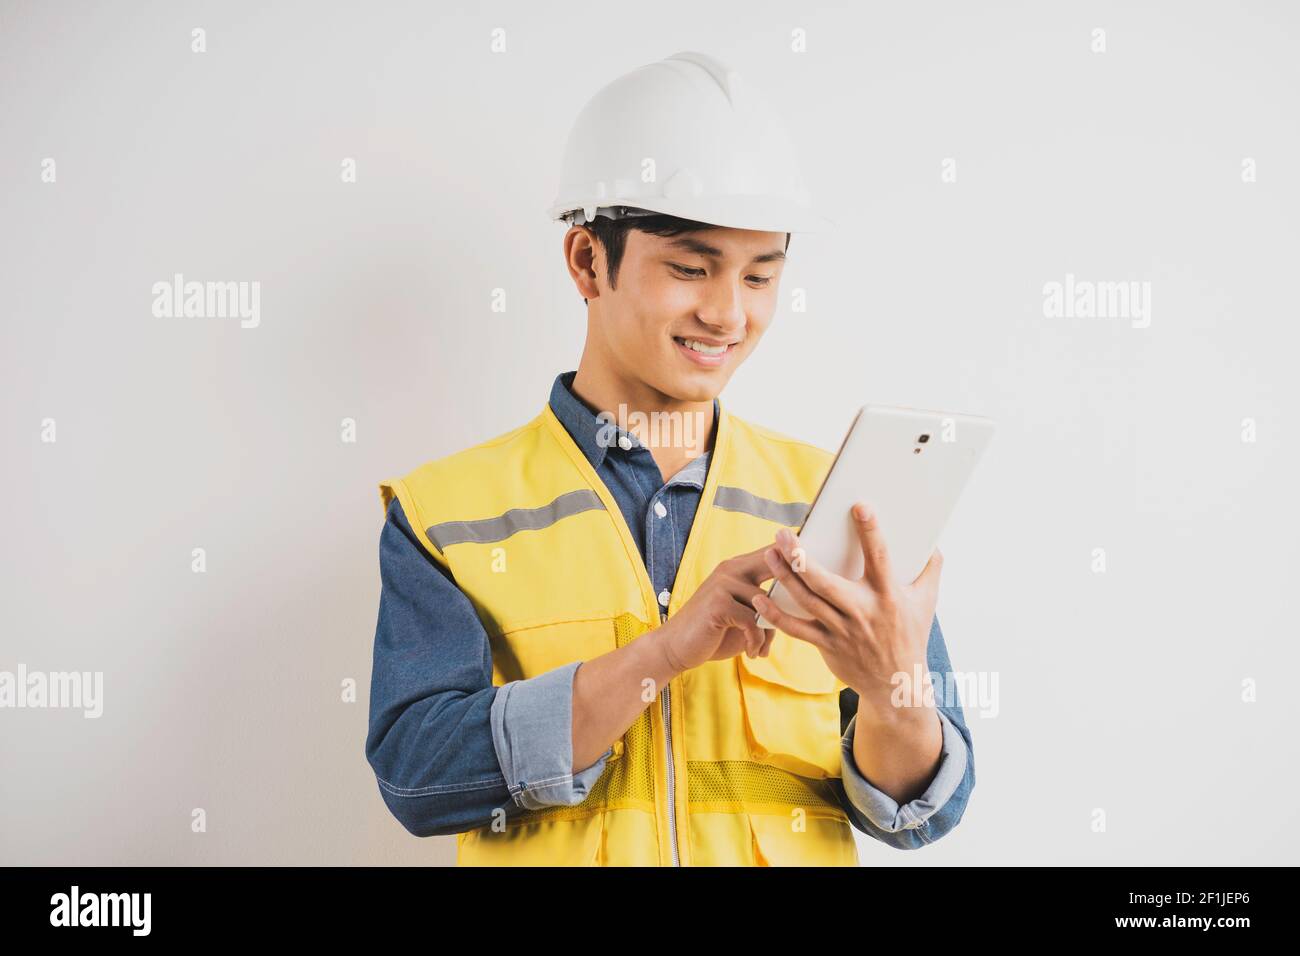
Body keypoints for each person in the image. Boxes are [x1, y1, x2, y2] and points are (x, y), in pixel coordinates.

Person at [364, 51, 974, 866]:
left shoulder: (831, 498)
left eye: (761, 277)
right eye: (691, 268)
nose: (728, 314)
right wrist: (664, 654)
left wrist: (897, 687)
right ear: (588, 261)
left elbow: (917, 814)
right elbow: (418, 778)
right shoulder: (447, 513)